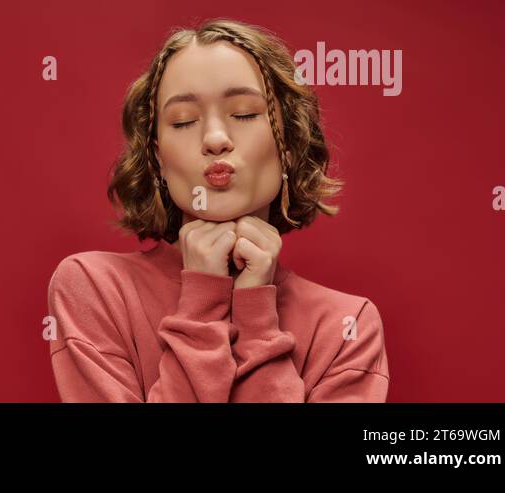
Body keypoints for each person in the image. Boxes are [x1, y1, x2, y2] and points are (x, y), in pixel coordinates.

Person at [47, 19, 388, 402]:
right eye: (183, 121)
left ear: (288, 145)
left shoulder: (349, 326)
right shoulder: (93, 287)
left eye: (244, 114)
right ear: (158, 158)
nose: (213, 139)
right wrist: (200, 304)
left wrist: (257, 315)